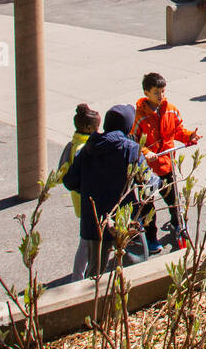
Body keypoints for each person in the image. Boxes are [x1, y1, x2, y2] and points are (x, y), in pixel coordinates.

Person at [62, 103, 147, 278]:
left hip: (93, 219)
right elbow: (144, 178)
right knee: (133, 265)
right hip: (122, 217)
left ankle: (90, 302)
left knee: (95, 270)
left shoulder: (88, 148)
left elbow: (70, 181)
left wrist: (89, 189)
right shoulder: (130, 148)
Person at [132, 72, 200, 254]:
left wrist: (189, 136)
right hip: (147, 170)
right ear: (146, 92)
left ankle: (178, 225)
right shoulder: (139, 116)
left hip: (166, 165)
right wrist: (146, 153)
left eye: (162, 91)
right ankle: (151, 237)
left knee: (173, 199)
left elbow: (177, 130)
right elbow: (134, 142)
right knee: (148, 205)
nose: (161, 95)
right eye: (156, 92)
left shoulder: (170, 109)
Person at [59, 104, 100, 277]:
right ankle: (78, 276)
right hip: (87, 200)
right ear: (89, 128)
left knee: (88, 240)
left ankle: (82, 273)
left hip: (79, 199)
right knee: (86, 241)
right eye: (98, 127)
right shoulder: (84, 149)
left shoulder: (73, 144)